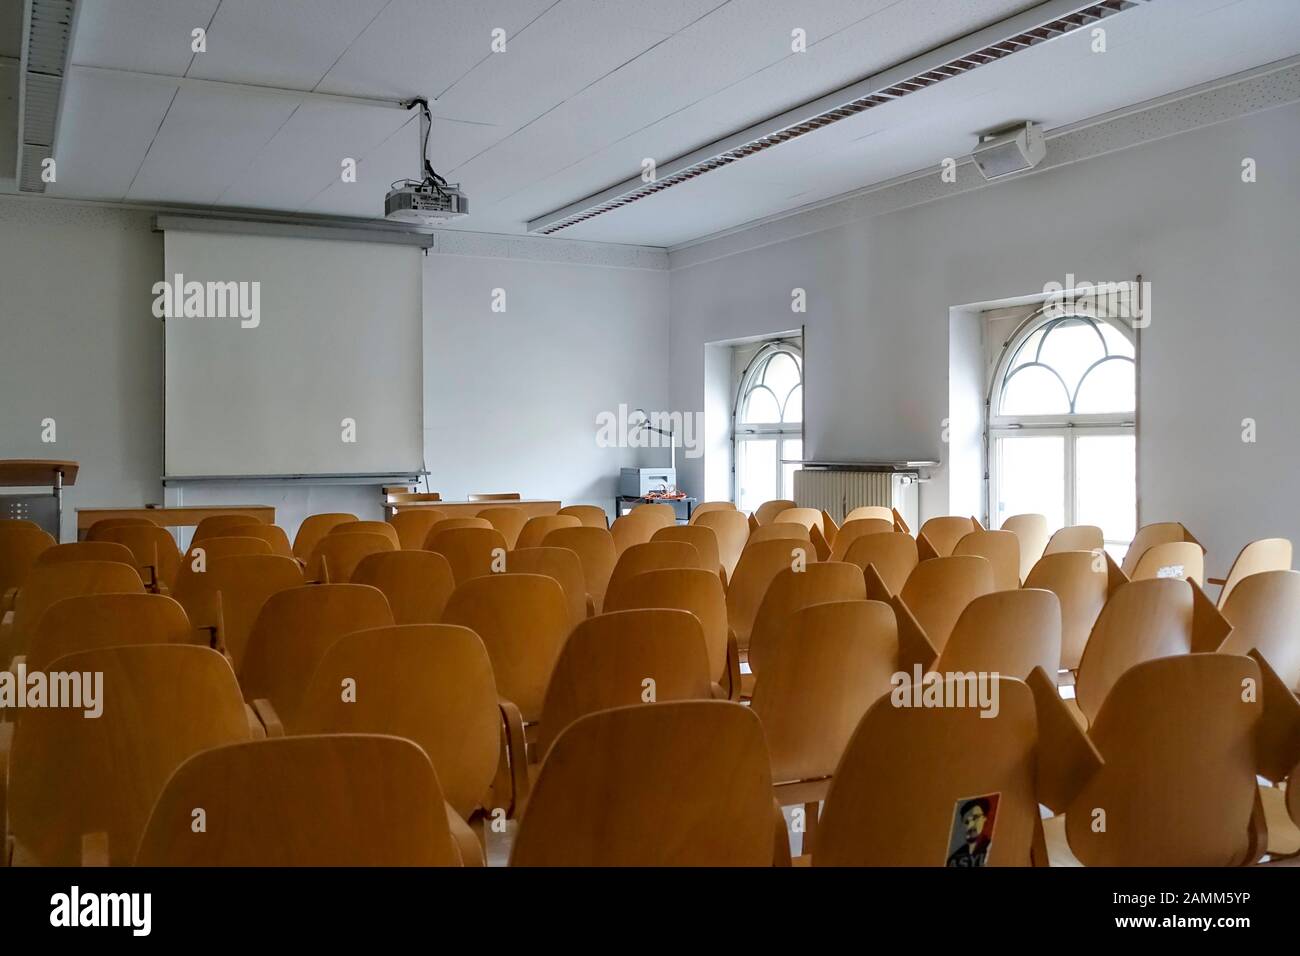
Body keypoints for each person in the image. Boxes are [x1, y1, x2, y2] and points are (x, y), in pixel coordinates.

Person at [946, 797, 993, 867]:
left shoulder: (991, 847)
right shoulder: (954, 858)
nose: (970, 825)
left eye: (975, 817)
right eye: (966, 822)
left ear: (984, 819)